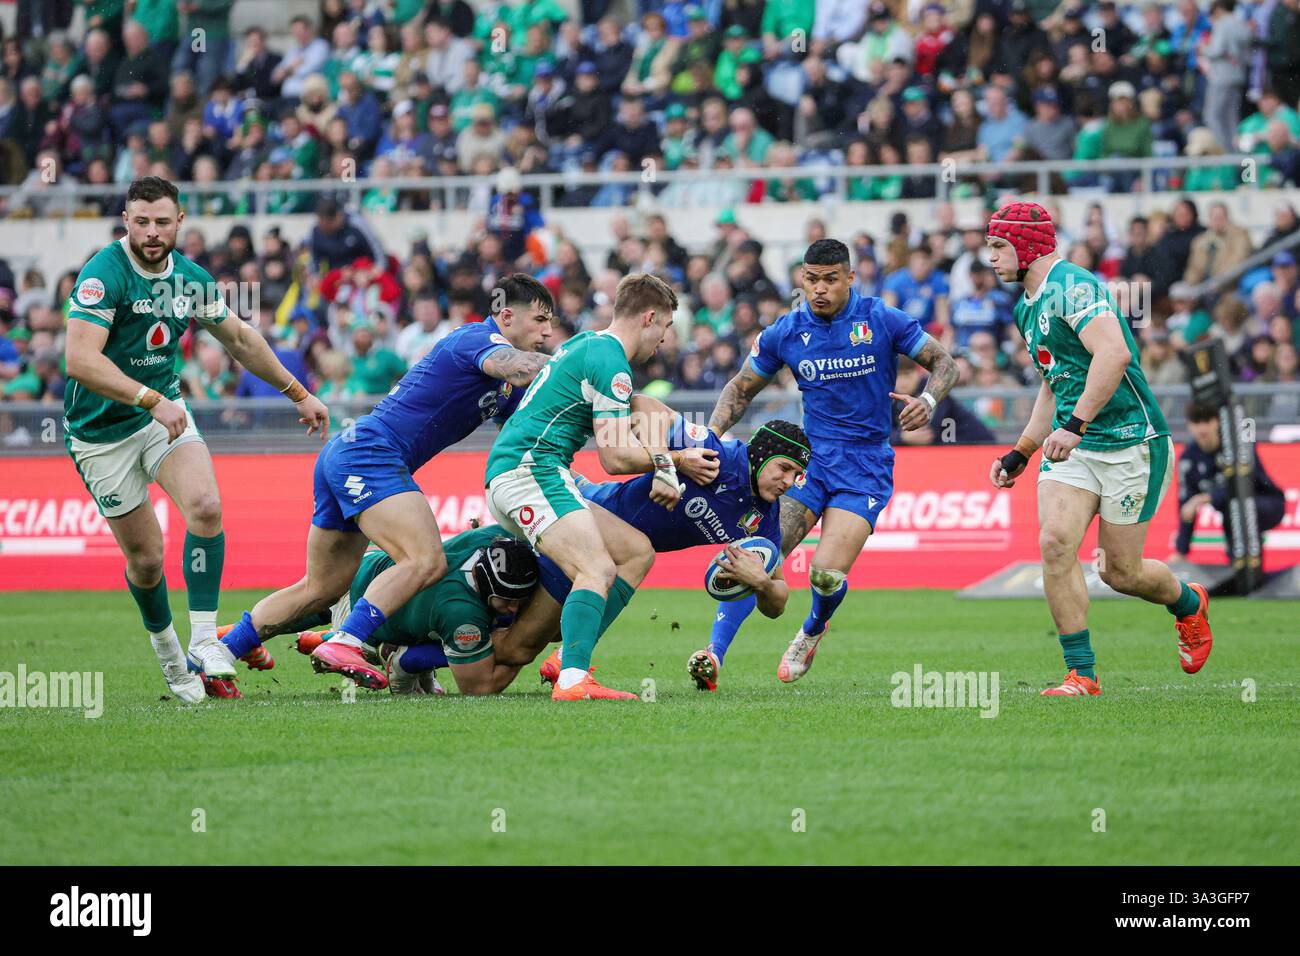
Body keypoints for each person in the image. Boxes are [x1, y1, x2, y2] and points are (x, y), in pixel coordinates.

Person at [216, 275, 556, 690]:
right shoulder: (476, 339)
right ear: (506, 316)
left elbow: (535, 417)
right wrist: (575, 363)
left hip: (350, 452)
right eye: (540, 320)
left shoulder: (504, 385)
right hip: (372, 453)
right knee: (426, 560)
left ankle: (220, 654)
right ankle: (346, 639)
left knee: (322, 588)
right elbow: (515, 365)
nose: (548, 332)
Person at [62, 176, 329, 702]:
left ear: (180, 221)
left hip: (162, 417)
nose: (152, 232)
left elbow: (238, 338)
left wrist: (298, 392)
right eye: (142, 221)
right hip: (100, 435)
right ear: (126, 221)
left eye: (163, 221)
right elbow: (79, 359)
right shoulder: (103, 274)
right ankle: (172, 663)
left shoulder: (190, 278)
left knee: (206, 506)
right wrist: (148, 398)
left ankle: (206, 640)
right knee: (146, 560)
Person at [985, 201, 1214, 698]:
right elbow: (1053, 381)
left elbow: (1115, 354)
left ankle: (1187, 603)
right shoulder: (1026, 305)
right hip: (1076, 447)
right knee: (1054, 544)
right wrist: (1022, 452)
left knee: (1120, 572)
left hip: (1132, 439)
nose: (991, 258)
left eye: (999, 246)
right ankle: (1082, 674)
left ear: (1026, 247)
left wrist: (1075, 425)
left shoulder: (1075, 287)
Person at [706, 239, 959, 683]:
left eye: (829, 279)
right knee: (762, 554)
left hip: (865, 467)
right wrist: (709, 438)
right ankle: (713, 655)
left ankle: (812, 628)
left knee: (823, 575)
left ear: (849, 279)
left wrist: (929, 398)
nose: (818, 289)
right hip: (810, 463)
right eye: (810, 280)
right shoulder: (785, 331)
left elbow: (944, 363)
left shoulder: (881, 319)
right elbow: (740, 389)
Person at [484, 273, 714, 701]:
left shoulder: (588, 345)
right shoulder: (611, 363)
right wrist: (676, 461)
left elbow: (637, 417)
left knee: (635, 551)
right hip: (528, 472)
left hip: (533, 471)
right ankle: (572, 679)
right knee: (598, 568)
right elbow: (615, 458)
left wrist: (663, 463)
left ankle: (571, 658)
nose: (663, 341)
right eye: (664, 328)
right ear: (649, 318)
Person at [1175, 401, 1287, 560]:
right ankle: (1239, 569)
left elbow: (1245, 481)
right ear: (1189, 425)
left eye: (1207, 421)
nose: (1202, 429)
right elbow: (1186, 506)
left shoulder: (1236, 444)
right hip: (1230, 512)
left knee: (1238, 508)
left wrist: (1205, 497)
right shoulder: (1188, 458)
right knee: (1232, 524)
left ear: (1218, 421)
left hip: (1265, 502)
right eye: (1196, 422)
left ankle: (1250, 568)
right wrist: (1182, 551)